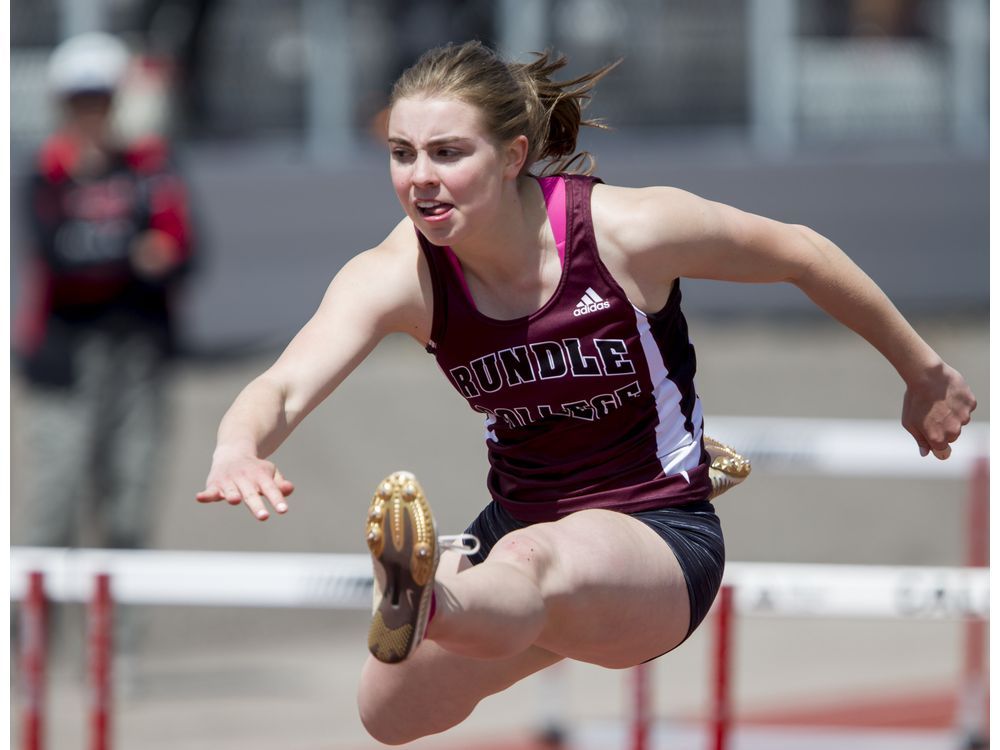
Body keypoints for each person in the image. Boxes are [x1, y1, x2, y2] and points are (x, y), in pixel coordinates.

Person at [197, 41, 976, 745]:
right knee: (387, 713)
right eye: (402, 153)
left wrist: (921, 371)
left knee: (540, 564)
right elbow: (282, 387)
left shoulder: (627, 230)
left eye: (446, 152)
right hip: (524, 521)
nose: (420, 178)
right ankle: (521, 573)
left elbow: (801, 254)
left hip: (655, 532)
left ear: (513, 155)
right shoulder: (395, 276)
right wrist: (239, 446)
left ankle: (434, 600)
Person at [14, 32, 197, 652]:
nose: (91, 112)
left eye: (101, 99)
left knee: (129, 507)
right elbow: (62, 257)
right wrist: (131, 250)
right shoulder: (46, 171)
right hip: (64, 362)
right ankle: (28, 652)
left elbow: (183, 250)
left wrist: (137, 253)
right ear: (63, 105)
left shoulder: (150, 166)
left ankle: (118, 654)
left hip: (139, 357)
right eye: (79, 100)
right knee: (52, 510)